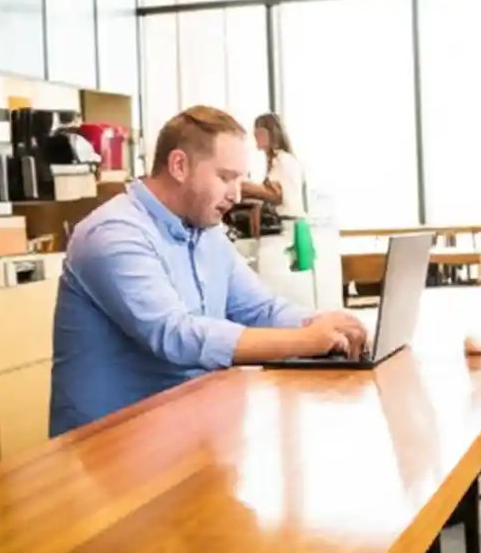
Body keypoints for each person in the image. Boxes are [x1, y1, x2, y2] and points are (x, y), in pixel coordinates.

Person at [50, 106, 365, 436]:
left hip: (184, 430)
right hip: (107, 449)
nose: (237, 194)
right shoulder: (114, 233)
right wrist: (305, 341)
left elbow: (260, 308)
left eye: (240, 179)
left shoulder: (206, 232)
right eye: (226, 177)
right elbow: (176, 335)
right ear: (179, 166)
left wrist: (324, 325)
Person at [241, 113, 314, 306]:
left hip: (286, 230)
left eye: (259, 132)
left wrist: (244, 187)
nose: (255, 137)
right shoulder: (281, 161)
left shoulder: (282, 160)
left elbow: (276, 195)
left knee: (277, 287)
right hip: (290, 228)